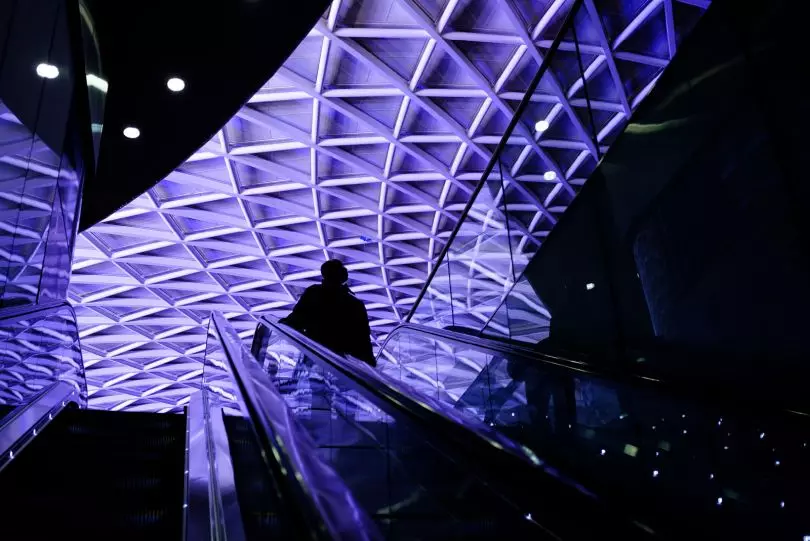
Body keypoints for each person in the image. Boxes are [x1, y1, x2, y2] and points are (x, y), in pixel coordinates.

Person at [280, 259, 376, 367]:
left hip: (314, 356)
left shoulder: (313, 293)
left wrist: (282, 325)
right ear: (343, 277)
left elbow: (297, 319)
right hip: (342, 363)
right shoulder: (355, 304)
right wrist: (370, 364)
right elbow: (363, 340)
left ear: (324, 275)